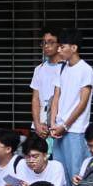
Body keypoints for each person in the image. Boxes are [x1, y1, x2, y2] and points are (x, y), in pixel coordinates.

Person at [48, 27, 92, 176]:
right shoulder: (61, 69)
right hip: (58, 131)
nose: (59, 50)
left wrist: (65, 125)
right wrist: (53, 124)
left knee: (76, 174)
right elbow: (56, 97)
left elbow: (82, 103)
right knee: (60, 174)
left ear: (74, 48)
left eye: (62, 46)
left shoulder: (85, 70)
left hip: (75, 130)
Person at [30, 28, 62, 156]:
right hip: (40, 125)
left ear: (60, 44)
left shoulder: (67, 68)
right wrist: (37, 124)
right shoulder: (39, 69)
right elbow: (35, 99)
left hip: (59, 125)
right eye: (43, 43)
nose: (46, 46)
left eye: (50, 42)